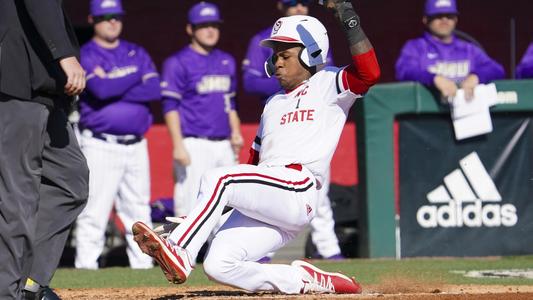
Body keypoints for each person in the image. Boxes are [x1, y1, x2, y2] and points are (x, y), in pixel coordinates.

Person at [133, 0, 379, 294]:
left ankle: (181, 250)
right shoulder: (273, 104)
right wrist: (199, 216)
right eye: (275, 55)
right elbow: (251, 169)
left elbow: (369, 73)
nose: (277, 61)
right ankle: (306, 280)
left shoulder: (329, 83)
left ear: (311, 52)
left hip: (299, 187)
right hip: (272, 197)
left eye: (285, 54)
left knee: (219, 177)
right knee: (218, 265)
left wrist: (347, 18)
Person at [0, 0, 89, 298]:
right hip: (15, 82)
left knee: (71, 182)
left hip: (45, 89)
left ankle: (28, 283)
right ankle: (6, 291)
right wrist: (63, 53)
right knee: (18, 198)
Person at [243, 0, 344, 262]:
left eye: (303, 2)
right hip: (282, 121)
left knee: (320, 195)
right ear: (280, 7)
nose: (299, 7)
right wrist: (289, 87)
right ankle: (262, 253)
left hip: (312, 126)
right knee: (268, 196)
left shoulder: (316, 36)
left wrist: (305, 89)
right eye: (292, 3)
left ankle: (329, 250)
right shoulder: (263, 40)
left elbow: (325, 79)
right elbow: (250, 81)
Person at [74, 0, 161, 270]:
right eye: (105, 17)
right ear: (93, 20)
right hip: (100, 143)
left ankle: (143, 271)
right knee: (94, 212)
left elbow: (155, 89)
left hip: (136, 144)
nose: (112, 22)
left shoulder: (135, 51)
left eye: (116, 17)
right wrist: (134, 77)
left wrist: (114, 83)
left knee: (139, 212)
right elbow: (99, 90)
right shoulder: (86, 53)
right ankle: (86, 271)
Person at [161, 2, 243, 225]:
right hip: (193, 143)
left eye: (214, 25)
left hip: (223, 144)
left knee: (228, 204)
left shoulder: (226, 60)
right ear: (191, 29)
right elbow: (170, 107)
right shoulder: (177, 62)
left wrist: (236, 132)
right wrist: (178, 145)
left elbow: (230, 103)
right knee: (188, 204)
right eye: (203, 25)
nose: (210, 30)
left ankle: (220, 257)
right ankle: (180, 253)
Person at [395, 0, 504, 101]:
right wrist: (434, 79)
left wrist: (476, 77)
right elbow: (404, 71)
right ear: (426, 19)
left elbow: (497, 69)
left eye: (449, 16)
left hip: (465, 112)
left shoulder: (468, 49)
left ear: (456, 19)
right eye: (438, 16)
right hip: (428, 116)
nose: (444, 20)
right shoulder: (416, 47)